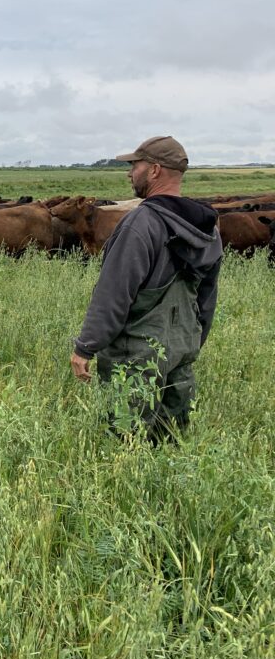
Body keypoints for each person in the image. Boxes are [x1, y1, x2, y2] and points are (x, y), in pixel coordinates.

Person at [69, 136, 223, 442]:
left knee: (124, 442)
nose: (129, 173)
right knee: (170, 441)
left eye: (134, 165)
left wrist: (85, 347)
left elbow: (114, 293)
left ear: (154, 170)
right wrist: (192, 340)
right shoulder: (208, 227)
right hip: (182, 346)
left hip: (136, 352)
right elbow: (207, 296)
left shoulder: (141, 223)